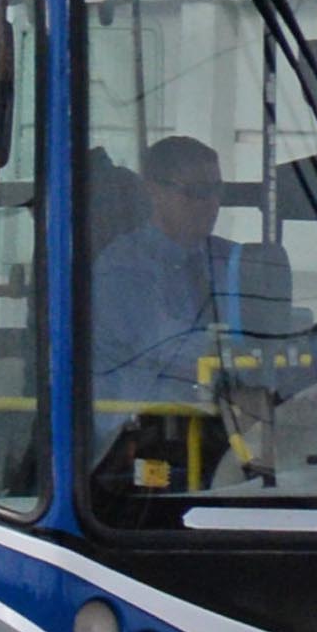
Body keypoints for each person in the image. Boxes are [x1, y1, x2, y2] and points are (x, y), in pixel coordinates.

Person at [91, 133, 235, 475]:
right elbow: (171, 350)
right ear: (154, 192)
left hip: (219, 426)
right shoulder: (123, 267)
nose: (211, 204)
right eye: (196, 192)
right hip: (140, 437)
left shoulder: (228, 259)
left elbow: (271, 325)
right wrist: (245, 348)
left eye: (217, 190)